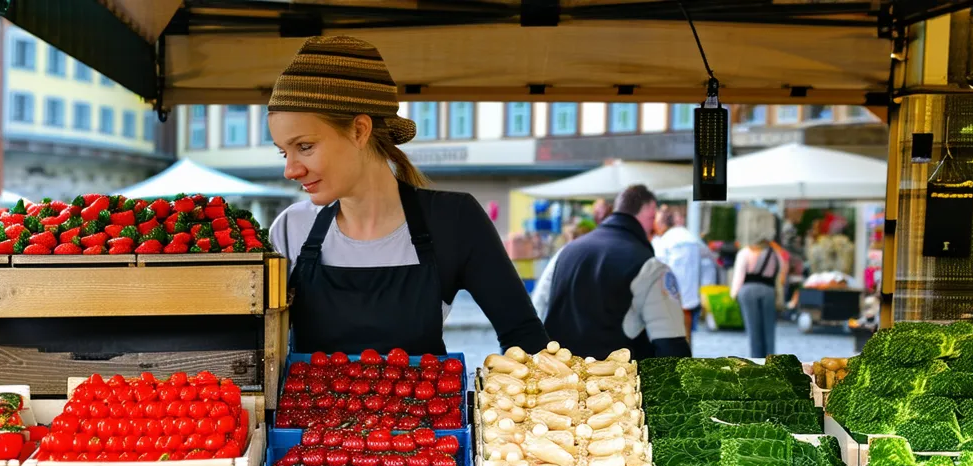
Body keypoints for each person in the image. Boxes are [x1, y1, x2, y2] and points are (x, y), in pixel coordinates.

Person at [266, 35, 549, 355]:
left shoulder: (454, 220)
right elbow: (260, 347)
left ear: (359, 130)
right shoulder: (291, 228)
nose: (290, 170)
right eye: (284, 152)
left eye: (304, 147)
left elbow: (526, 340)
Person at [535, 185, 691, 360]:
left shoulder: (565, 253)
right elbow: (671, 343)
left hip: (559, 371)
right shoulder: (649, 266)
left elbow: (537, 311)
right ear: (650, 211)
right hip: (617, 374)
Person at [653, 204, 714, 340]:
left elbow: (658, 265)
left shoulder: (666, 240)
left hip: (670, 295)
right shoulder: (690, 237)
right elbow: (708, 258)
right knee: (687, 331)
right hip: (690, 295)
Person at [731, 230, 789, 358]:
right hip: (768, 290)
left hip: (748, 290)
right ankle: (770, 358)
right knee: (769, 329)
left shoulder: (745, 253)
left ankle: (756, 358)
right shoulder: (775, 253)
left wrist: (734, 294)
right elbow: (781, 273)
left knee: (753, 329)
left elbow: (739, 276)